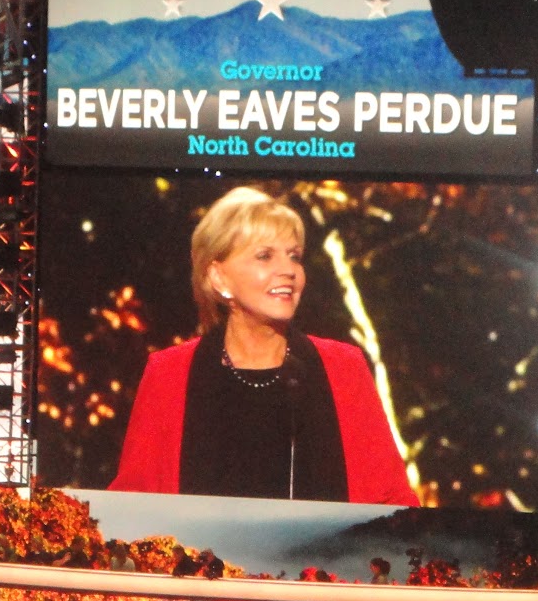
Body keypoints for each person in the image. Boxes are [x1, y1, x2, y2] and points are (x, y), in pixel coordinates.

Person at [109, 186, 416, 505]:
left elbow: (392, 502)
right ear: (218, 278)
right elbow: (132, 505)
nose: (289, 271)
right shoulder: (169, 374)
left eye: (294, 256)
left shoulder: (344, 367)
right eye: (265, 256)